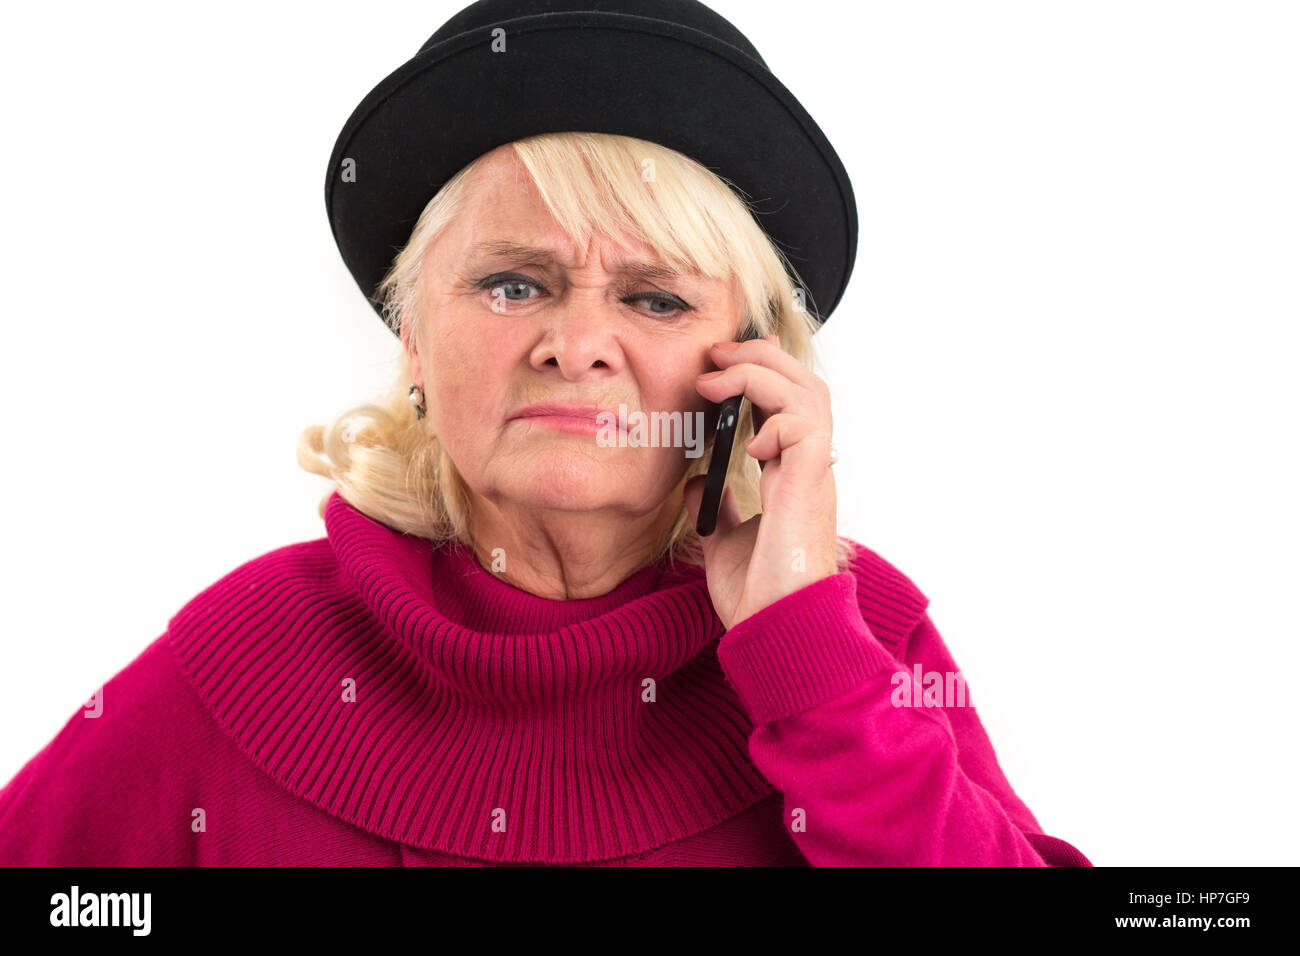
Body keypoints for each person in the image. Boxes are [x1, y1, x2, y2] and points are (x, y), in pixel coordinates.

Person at [0, 0, 1091, 866]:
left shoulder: (857, 642)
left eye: (656, 299)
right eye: (515, 283)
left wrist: (806, 656)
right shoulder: (249, 652)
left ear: (751, 373)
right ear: (415, 342)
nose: (577, 343)